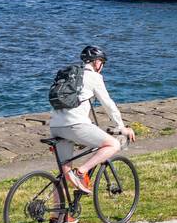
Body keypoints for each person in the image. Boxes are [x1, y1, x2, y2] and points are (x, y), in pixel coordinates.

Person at [47, 45, 136, 208]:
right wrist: (121, 127)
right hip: (75, 125)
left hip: (55, 126)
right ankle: (81, 172)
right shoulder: (94, 77)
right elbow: (108, 104)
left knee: (64, 174)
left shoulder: (71, 76)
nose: (102, 66)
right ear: (96, 63)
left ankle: (58, 216)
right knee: (113, 144)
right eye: (102, 62)